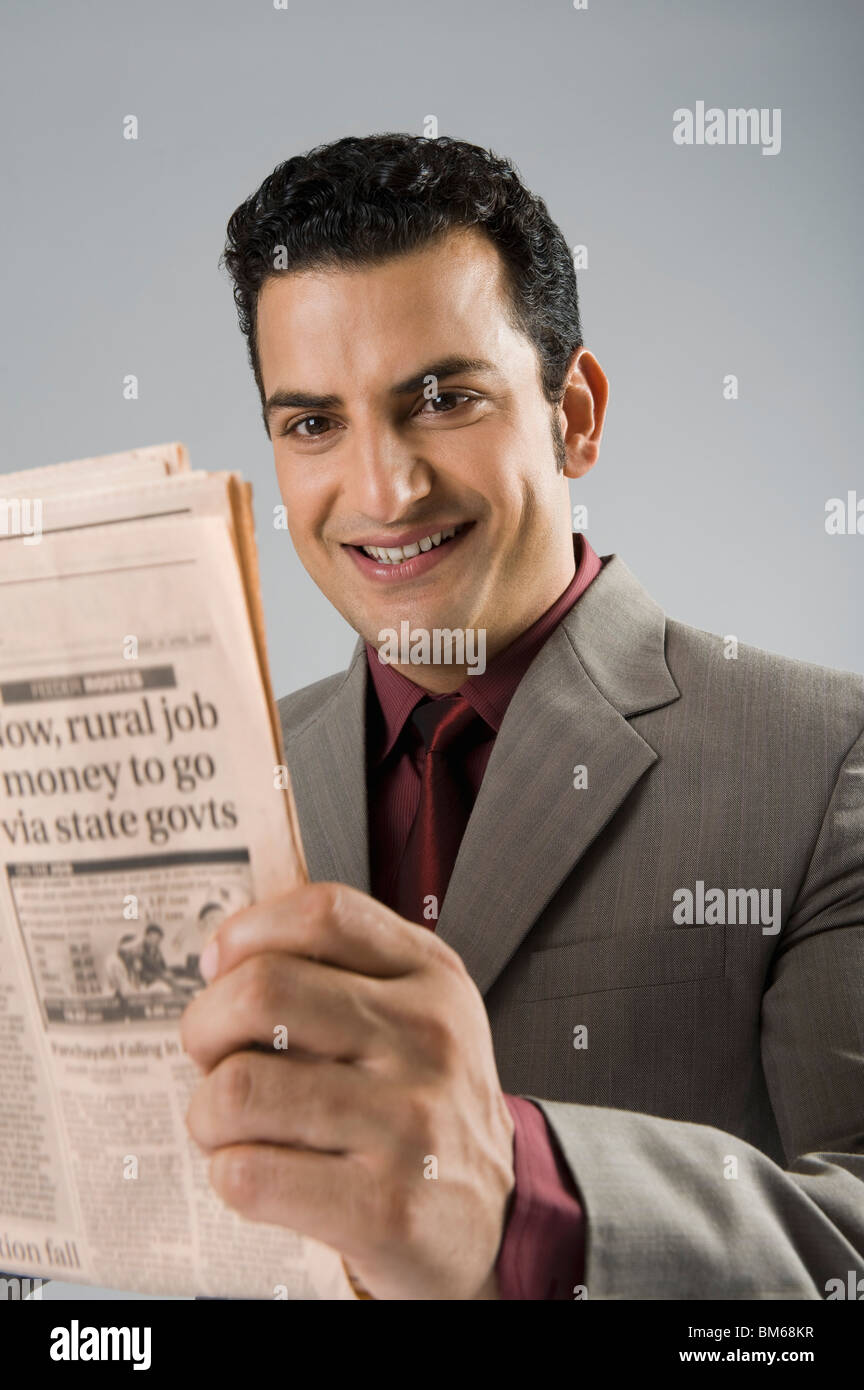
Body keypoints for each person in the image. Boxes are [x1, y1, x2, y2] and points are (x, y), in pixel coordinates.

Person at [179, 133, 864, 1300]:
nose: (384, 490)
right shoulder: (227, 769)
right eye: (312, 424)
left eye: (443, 399)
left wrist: (517, 1194)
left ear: (576, 414)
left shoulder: (820, 759)